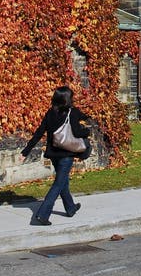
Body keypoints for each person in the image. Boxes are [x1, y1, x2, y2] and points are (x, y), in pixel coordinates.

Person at [21, 85, 91, 225]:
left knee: (62, 180)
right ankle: (43, 214)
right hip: (66, 154)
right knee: (59, 183)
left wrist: (26, 151)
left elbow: (39, 133)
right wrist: (87, 132)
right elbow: (77, 132)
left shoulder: (50, 113)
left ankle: (70, 208)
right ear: (67, 99)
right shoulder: (73, 112)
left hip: (53, 154)